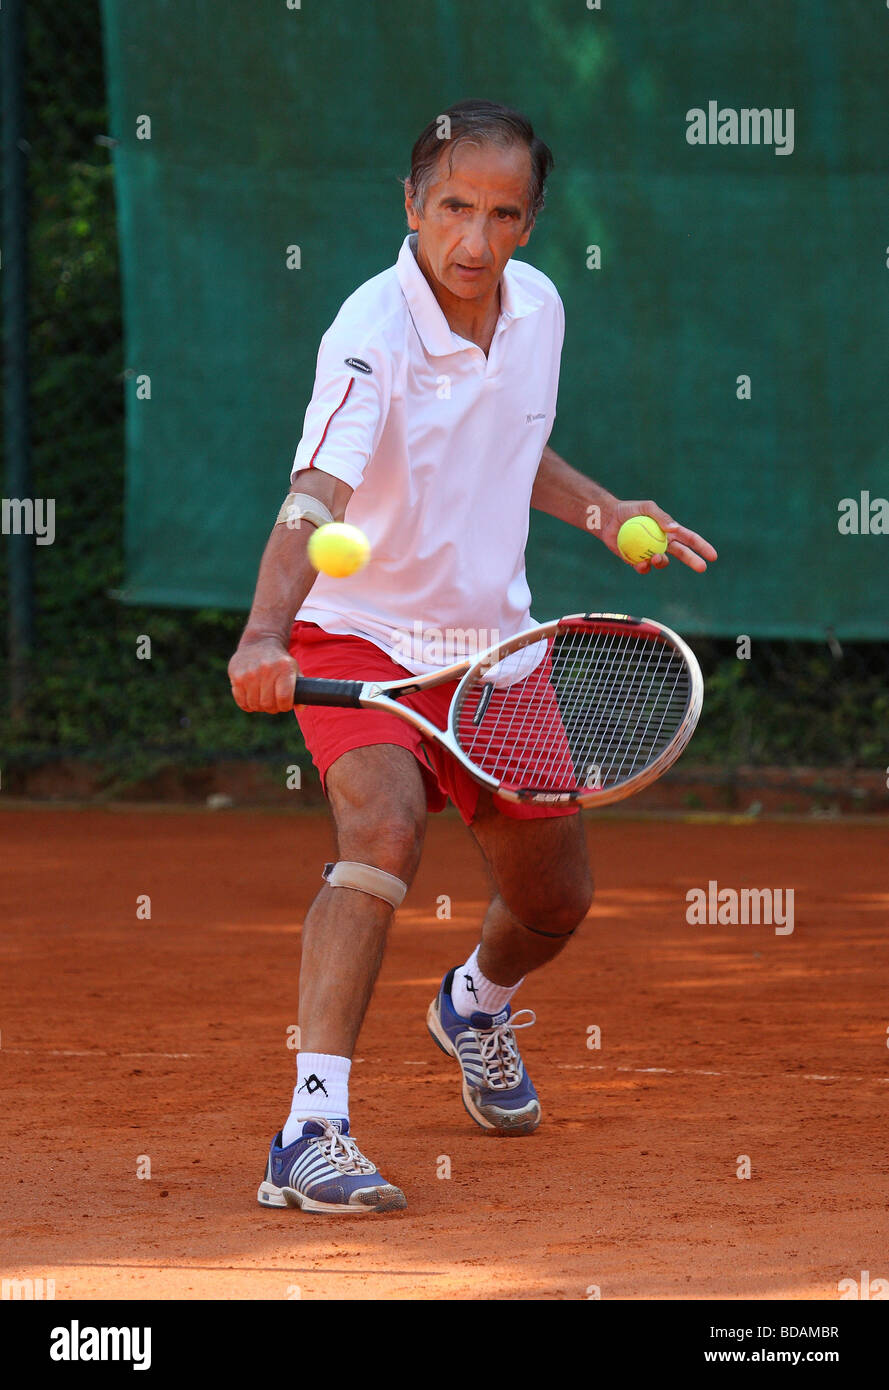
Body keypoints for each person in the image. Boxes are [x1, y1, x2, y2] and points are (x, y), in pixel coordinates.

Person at [228, 99, 717, 1215]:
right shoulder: (369, 331)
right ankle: (309, 1130)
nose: (472, 240)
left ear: (532, 223)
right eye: (452, 207)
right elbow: (317, 493)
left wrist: (604, 515)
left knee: (554, 902)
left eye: (502, 214)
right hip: (361, 639)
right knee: (380, 831)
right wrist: (264, 633)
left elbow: (512, 442)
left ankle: (477, 1006)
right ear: (411, 204)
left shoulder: (537, 309)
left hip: (496, 650)